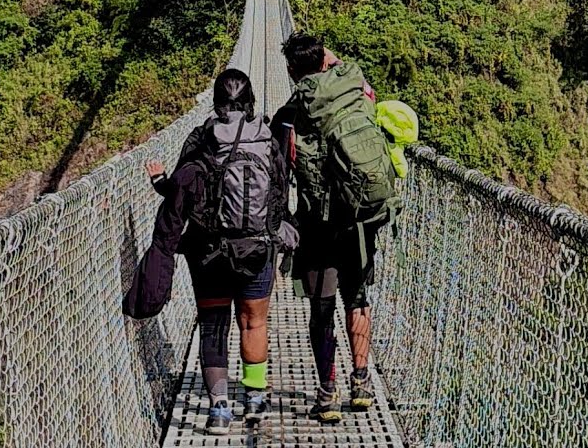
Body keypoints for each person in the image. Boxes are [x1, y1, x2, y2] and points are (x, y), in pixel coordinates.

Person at [130, 69, 292, 435]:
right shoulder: (268, 142)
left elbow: (182, 192)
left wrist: (160, 182)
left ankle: (219, 409)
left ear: (216, 102)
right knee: (254, 322)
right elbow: (280, 196)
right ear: (250, 102)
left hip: (209, 253)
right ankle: (254, 399)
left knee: (214, 326)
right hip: (258, 249)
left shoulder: (202, 140)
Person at [275, 32, 398, 423]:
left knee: (321, 309)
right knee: (357, 298)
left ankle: (328, 394)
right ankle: (362, 382)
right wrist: (331, 59)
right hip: (359, 219)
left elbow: (280, 175)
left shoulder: (288, 118)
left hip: (315, 225)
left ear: (292, 72)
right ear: (326, 61)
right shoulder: (358, 94)